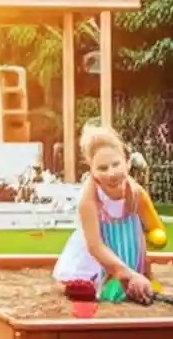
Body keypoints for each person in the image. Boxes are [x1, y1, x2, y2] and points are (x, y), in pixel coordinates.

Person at [53, 124, 160, 304]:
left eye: (116, 164)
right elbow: (95, 246)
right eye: (102, 168)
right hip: (95, 253)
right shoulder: (88, 200)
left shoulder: (134, 192)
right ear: (91, 171)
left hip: (122, 248)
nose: (111, 173)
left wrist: (145, 272)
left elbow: (140, 232)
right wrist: (127, 274)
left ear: (127, 162)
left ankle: (128, 276)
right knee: (88, 288)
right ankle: (68, 286)